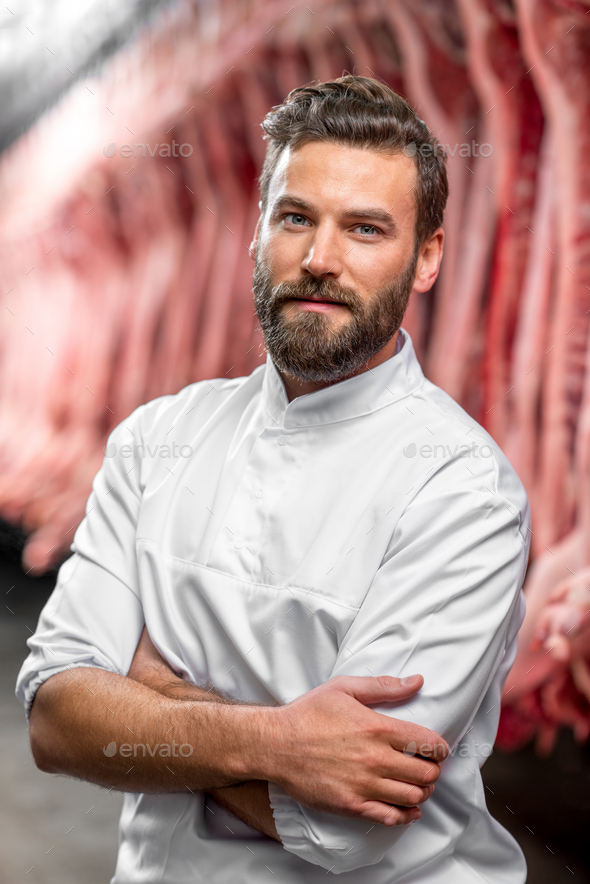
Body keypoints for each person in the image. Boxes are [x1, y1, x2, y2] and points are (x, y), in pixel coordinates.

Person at [16, 75, 531, 883]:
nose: (321, 260)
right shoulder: (158, 439)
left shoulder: (465, 493)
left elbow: (345, 830)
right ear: (258, 230)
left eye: (365, 229)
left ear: (426, 258)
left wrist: (145, 693)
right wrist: (282, 745)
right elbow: (55, 723)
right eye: (296, 218)